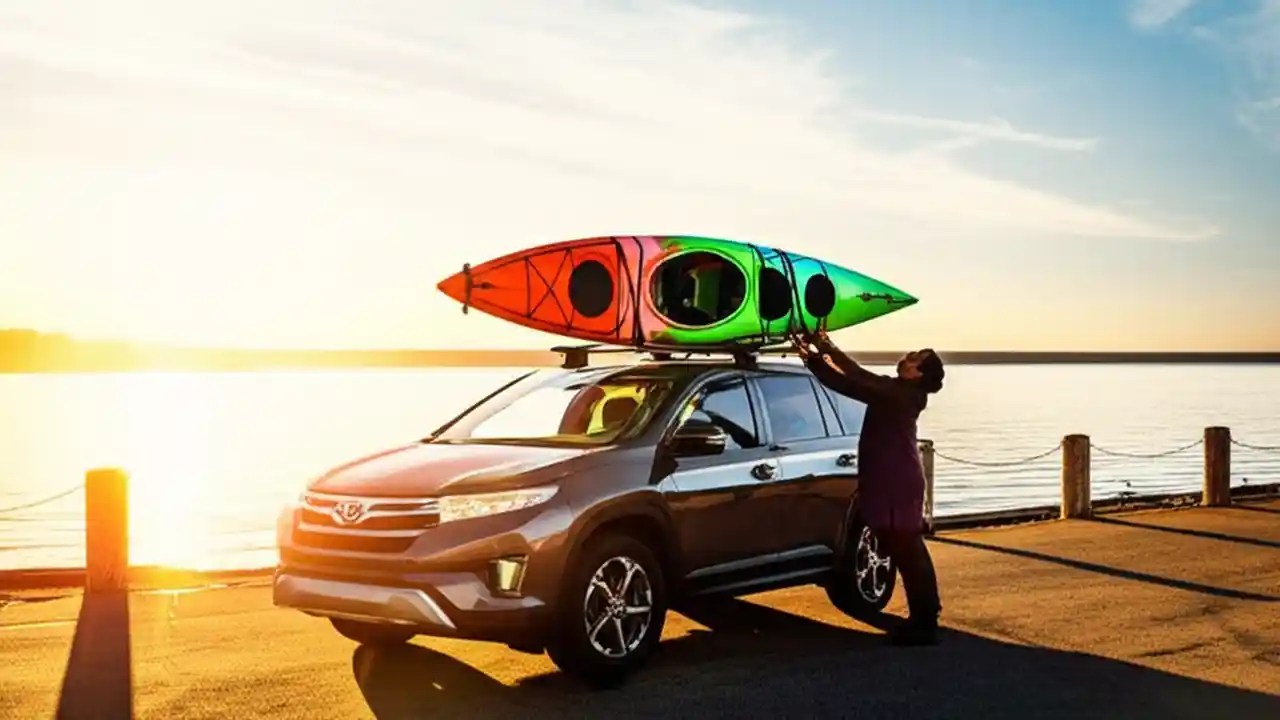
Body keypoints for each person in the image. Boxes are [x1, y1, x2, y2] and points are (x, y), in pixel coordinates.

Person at [791, 328, 946, 646]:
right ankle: (924, 618)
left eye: (916, 359)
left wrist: (823, 347)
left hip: (896, 478)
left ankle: (925, 622)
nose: (909, 356)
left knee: (908, 549)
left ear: (919, 374)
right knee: (906, 548)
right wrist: (813, 359)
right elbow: (848, 384)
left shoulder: (899, 393)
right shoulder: (898, 391)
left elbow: (856, 375)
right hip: (890, 475)